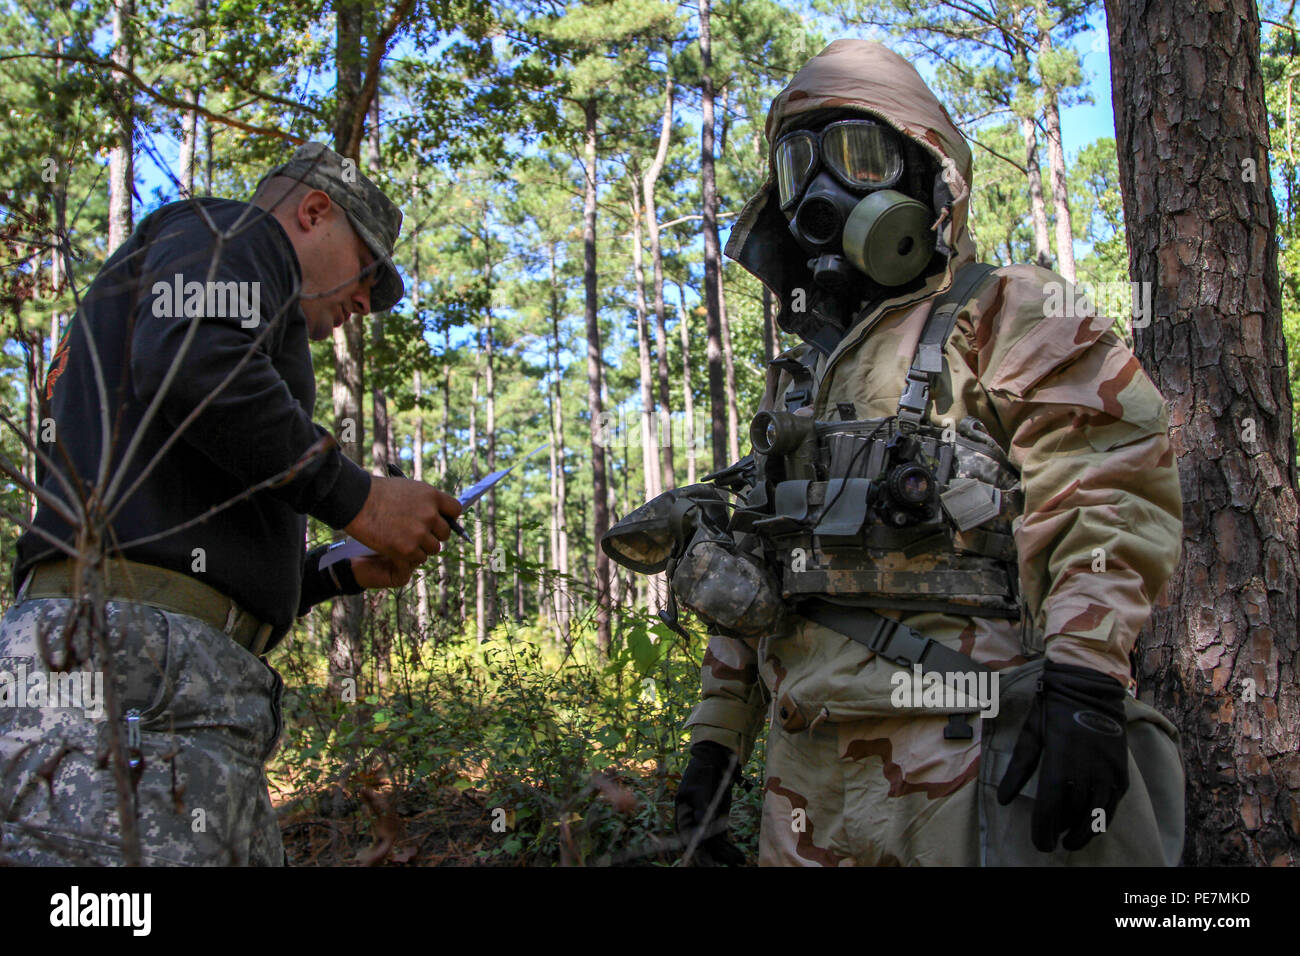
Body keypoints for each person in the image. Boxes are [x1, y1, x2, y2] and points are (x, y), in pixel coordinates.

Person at [608, 39, 1184, 866]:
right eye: (797, 161)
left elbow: (1107, 486)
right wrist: (715, 748)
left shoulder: (1013, 311)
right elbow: (756, 571)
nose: (821, 187)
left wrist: (1086, 682)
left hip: (966, 760)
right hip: (804, 780)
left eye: (857, 153)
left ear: (926, 171)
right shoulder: (800, 377)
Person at [0, 142, 462, 866]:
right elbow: (192, 358)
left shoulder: (213, 282)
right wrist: (358, 498)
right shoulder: (232, 234)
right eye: (368, 272)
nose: (366, 302)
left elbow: (180, 542)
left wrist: (333, 572)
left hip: (168, 688)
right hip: (129, 684)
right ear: (313, 212)